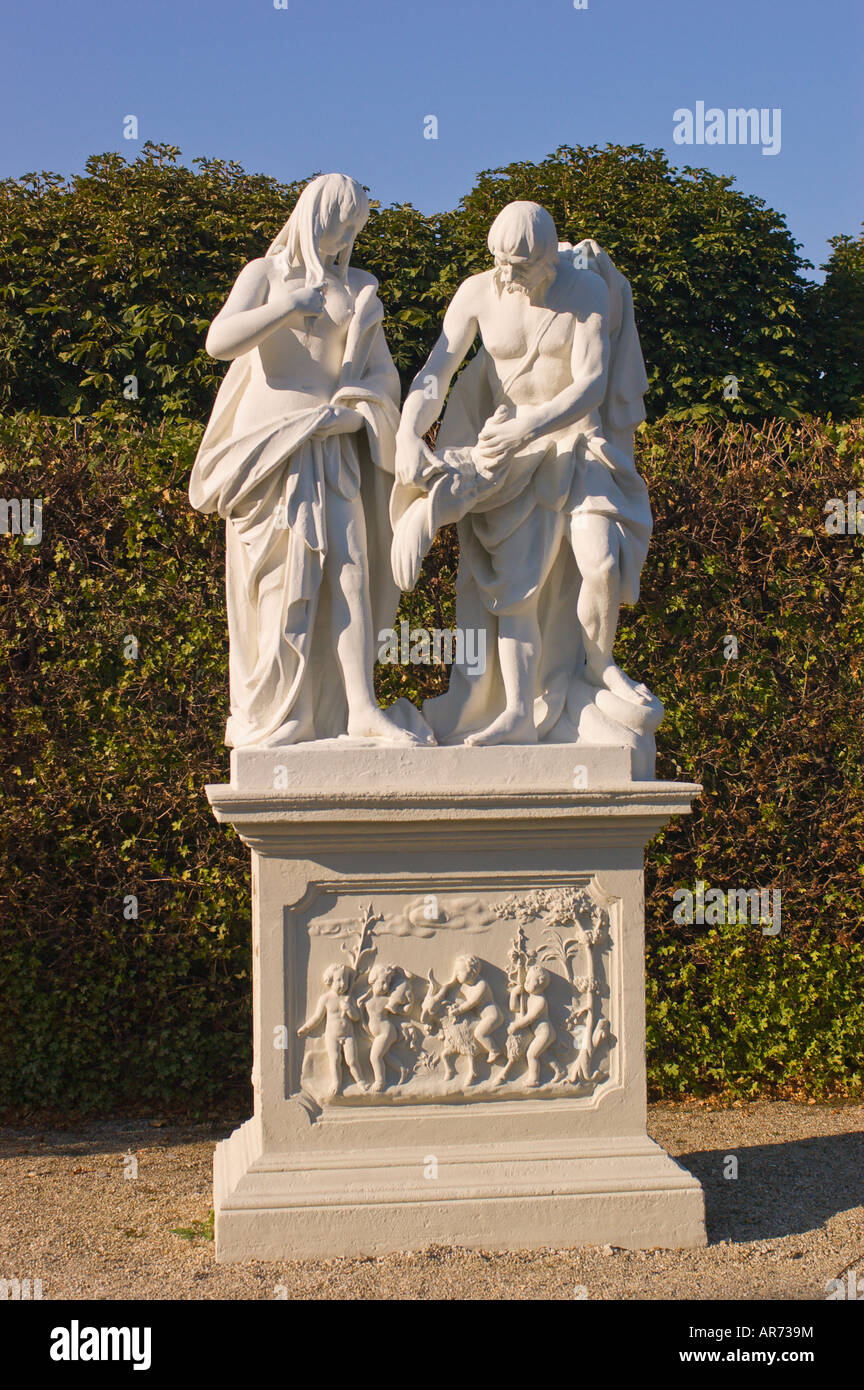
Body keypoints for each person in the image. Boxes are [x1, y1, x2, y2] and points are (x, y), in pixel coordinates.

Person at [392, 200, 656, 747]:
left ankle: (599, 666)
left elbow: (592, 382)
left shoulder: (584, 295)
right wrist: (407, 432)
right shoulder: (478, 293)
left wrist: (531, 424)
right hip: (511, 455)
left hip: (575, 446)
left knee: (602, 562)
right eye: (503, 268)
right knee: (517, 593)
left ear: (548, 260)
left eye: (525, 269)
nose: (513, 281)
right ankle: (516, 711)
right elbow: (436, 373)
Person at [189, 173, 425, 747]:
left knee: (350, 569)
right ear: (314, 214)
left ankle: (360, 708)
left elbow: (384, 376)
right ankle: (282, 710)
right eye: (340, 224)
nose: (346, 239)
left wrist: (361, 413)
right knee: (281, 578)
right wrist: (287, 306)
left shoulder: (361, 285)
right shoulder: (265, 275)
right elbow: (220, 341)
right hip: (270, 452)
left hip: (334, 442)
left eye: (356, 229)